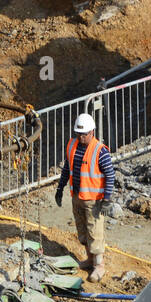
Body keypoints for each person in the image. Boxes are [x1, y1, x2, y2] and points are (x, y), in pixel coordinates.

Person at [54, 113, 118, 282]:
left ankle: (99, 266)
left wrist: (107, 198)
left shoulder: (99, 151)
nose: (81, 137)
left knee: (95, 233)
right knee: (82, 231)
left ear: (92, 132)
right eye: (78, 134)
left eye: (84, 134)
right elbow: (67, 169)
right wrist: (60, 188)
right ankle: (90, 260)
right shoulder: (72, 145)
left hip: (94, 200)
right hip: (77, 196)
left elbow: (110, 175)